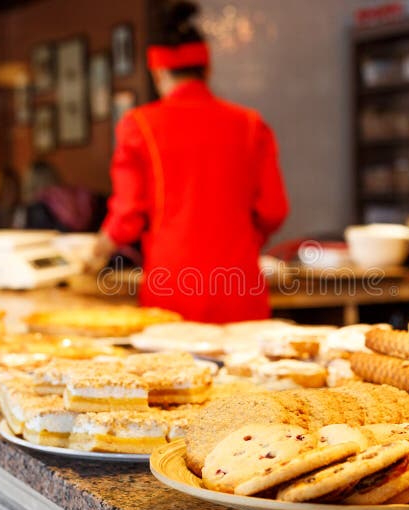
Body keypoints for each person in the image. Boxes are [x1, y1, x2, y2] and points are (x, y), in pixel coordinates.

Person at [91, 1, 289, 323]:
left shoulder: (138, 126)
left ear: (157, 73)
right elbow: (273, 210)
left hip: (173, 287)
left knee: (175, 371)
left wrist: (97, 248)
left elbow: (127, 216)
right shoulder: (252, 125)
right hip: (238, 286)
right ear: (207, 69)